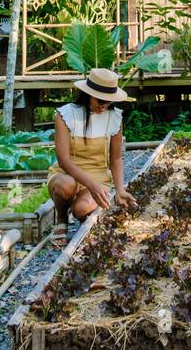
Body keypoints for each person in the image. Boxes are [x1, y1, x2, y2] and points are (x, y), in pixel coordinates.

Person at [46, 68, 137, 247]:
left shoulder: (115, 117)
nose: (103, 106)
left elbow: (116, 158)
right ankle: (62, 219)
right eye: (100, 100)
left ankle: (81, 213)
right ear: (88, 94)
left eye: (108, 102)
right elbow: (63, 159)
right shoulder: (66, 114)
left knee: (81, 209)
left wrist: (119, 190)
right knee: (66, 185)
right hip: (67, 173)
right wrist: (90, 184)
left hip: (98, 176)